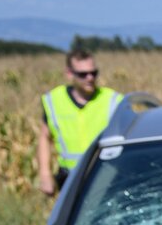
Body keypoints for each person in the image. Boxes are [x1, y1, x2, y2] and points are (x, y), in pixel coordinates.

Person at [35, 49, 122, 196]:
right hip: (69, 179)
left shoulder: (113, 100)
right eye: (83, 74)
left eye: (94, 73)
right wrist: (45, 174)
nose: (90, 78)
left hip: (104, 177)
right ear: (69, 74)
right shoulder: (54, 101)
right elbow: (45, 136)